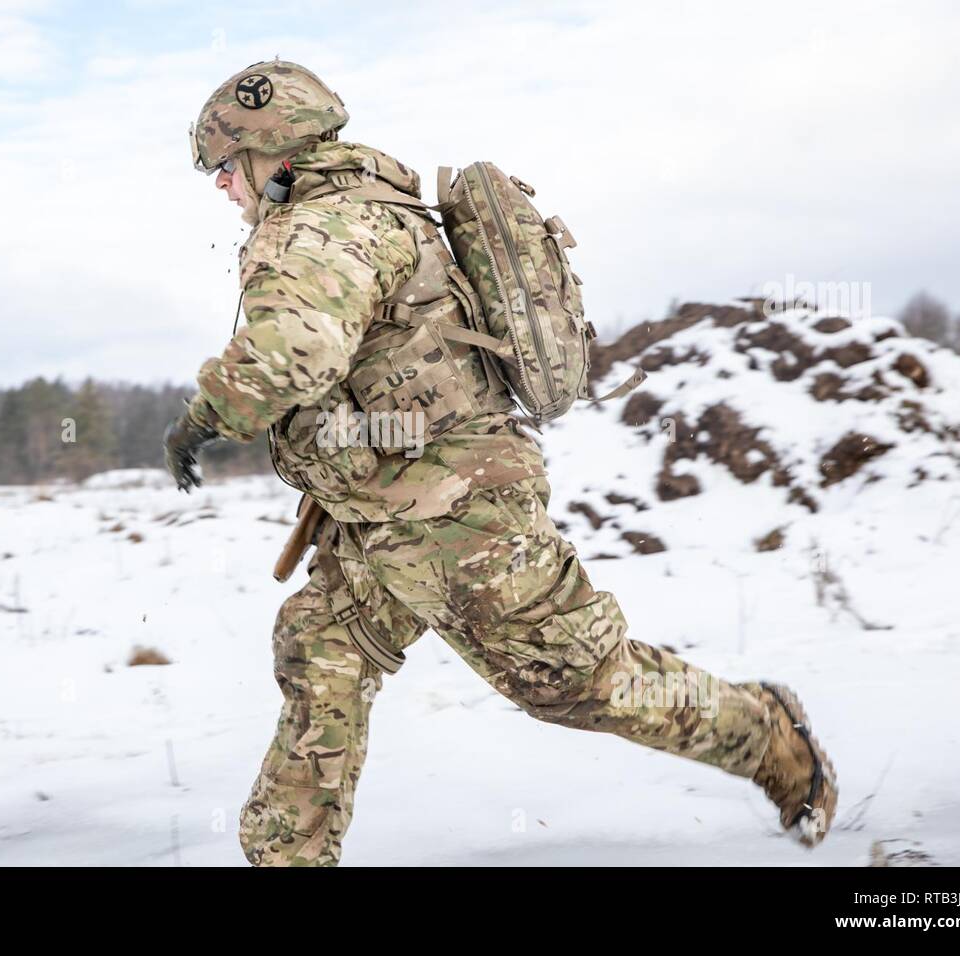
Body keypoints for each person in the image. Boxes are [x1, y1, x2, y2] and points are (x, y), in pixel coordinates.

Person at [165, 59, 837, 866]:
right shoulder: (368, 210)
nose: (221, 186)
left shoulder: (320, 228)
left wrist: (207, 415)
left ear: (274, 153)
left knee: (576, 682)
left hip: (458, 520)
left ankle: (768, 736)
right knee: (322, 655)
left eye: (227, 165)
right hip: (390, 510)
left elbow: (292, 355)